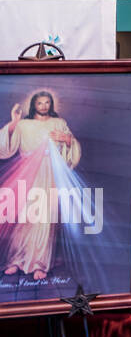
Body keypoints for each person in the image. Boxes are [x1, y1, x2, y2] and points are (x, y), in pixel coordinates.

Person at [0, 91, 81, 280]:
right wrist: (13, 121)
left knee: (45, 218)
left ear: (51, 104)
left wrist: (67, 140)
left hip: (51, 173)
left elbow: (73, 145)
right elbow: (5, 143)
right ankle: (16, 260)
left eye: (47, 102)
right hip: (27, 173)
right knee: (24, 217)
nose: (43, 106)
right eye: (39, 102)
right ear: (33, 105)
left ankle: (40, 263)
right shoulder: (24, 124)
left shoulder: (59, 123)